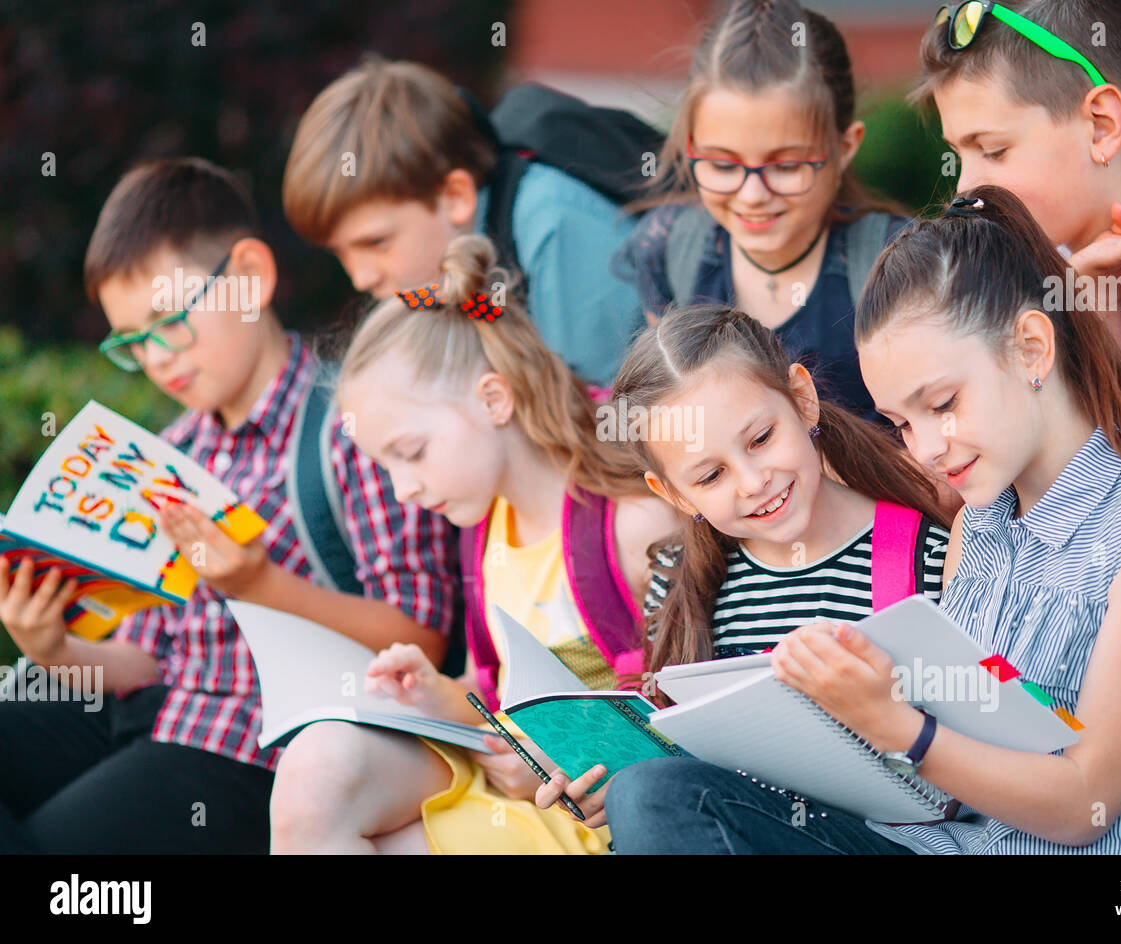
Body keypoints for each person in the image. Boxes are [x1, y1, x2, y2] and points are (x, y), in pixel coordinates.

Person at [602, 188, 1121, 854]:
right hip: (932, 841)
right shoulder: (979, 527)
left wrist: (899, 726)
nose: (926, 448)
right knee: (656, 793)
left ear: (1030, 349)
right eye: (902, 421)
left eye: (942, 404)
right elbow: (962, 770)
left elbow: (1086, 805)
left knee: (658, 802)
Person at [0, 157, 459, 854]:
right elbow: (148, 664)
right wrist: (53, 647)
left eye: (168, 322)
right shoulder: (172, 450)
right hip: (162, 712)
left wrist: (260, 585)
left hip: (263, 747)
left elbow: (423, 640)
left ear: (250, 276)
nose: (156, 359)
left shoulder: (350, 426)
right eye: (131, 343)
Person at [267, 234, 678, 853]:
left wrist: (549, 755)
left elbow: (687, 711)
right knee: (312, 775)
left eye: (412, 454)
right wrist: (440, 693)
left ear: (494, 398)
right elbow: (497, 689)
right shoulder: (487, 526)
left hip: (602, 814)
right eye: (387, 468)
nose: (404, 490)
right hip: (521, 789)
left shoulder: (632, 523)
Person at [535, 302, 950, 829]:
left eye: (760, 439)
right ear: (675, 495)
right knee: (643, 792)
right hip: (751, 831)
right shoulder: (680, 580)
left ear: (801, 400)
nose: (753, 482)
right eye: (711, 477)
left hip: (895, 836)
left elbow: (972, 761)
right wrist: (612, 776)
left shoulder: (927, 557)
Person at [913, 0, 1121, 425]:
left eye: (993, 150)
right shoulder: (1021, 257)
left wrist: (1094, 320)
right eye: (958, 153)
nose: (964, 186)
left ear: (1101, 126)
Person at [614, 0, 911, 423]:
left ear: (844, 147)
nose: (752, 194)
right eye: (722, 165)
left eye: (787, 166)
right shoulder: (669, 250)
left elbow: (938, 464)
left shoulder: (896, 270)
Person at [282, 55, 642, 387]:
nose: (361, 277)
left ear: (455, 197)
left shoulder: (553, 228)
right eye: (339, 252)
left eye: (377, 243)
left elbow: (622, 411)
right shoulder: (439, 273)